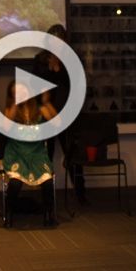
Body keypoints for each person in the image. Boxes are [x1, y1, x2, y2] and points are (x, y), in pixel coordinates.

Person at [32, 23, 88, 203]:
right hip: (46, 114)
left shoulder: (72, 60)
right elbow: (35, 88)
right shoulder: (39, 60)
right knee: (45, 156)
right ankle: (46, 195)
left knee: (73, 155)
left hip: (67, 114)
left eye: (60, 40)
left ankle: (81, 194)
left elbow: (78, 87)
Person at [0, 81, 58, 227]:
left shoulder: (40, 109)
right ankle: (9, 213)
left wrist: (47, 103)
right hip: (17, 153)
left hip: (37, 153)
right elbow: (5, 127)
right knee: (15, 184)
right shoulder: (10, 110)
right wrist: (14, 103)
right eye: (16, 92)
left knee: (48, 182)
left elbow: (57, 124)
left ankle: (48, 214)